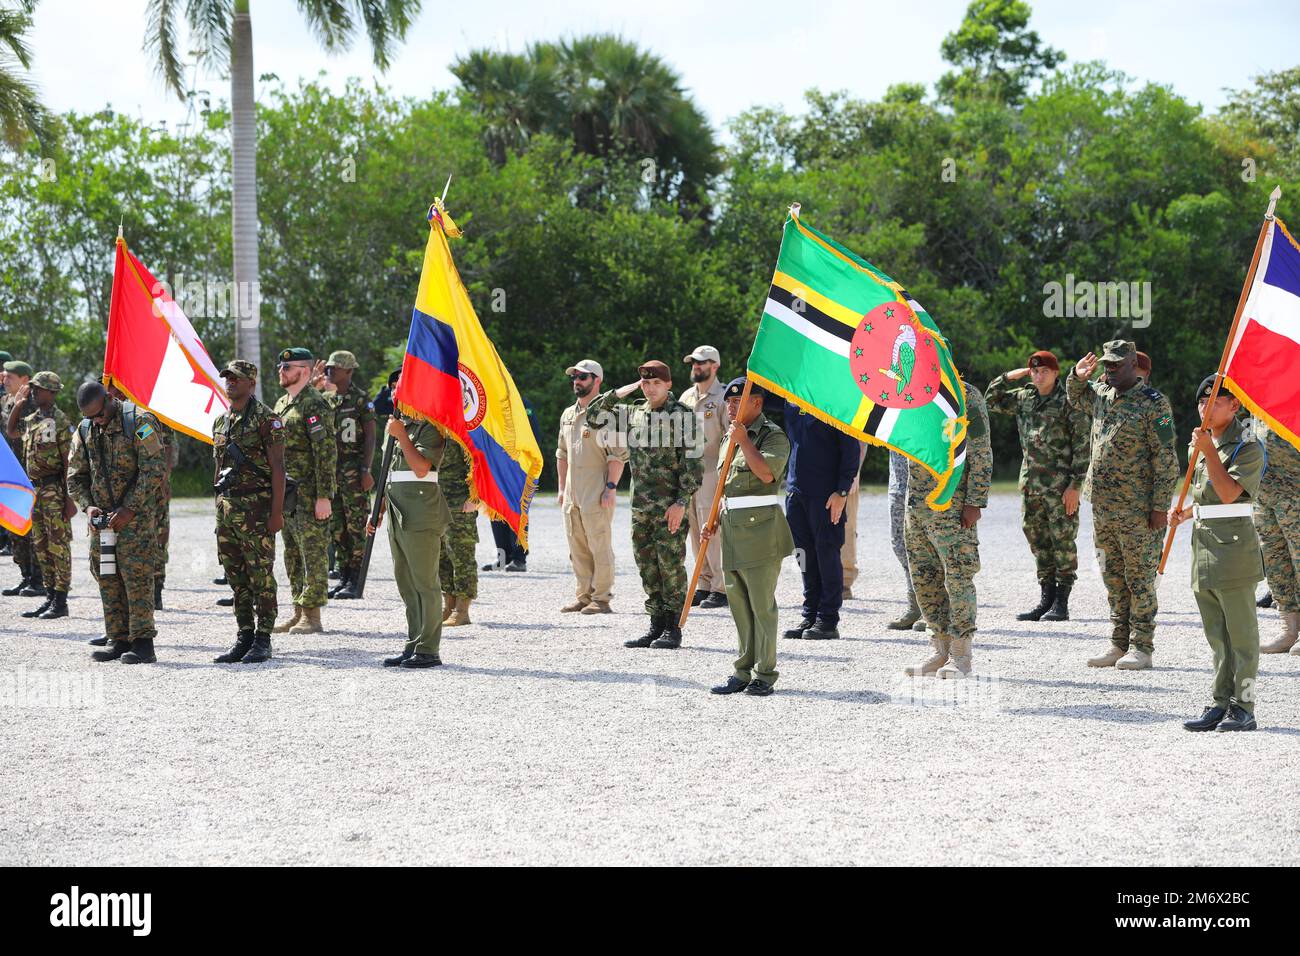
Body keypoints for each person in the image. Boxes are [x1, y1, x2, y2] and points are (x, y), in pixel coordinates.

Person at [1068, 341, 1179, 670]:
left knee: (1139, 578)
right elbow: (1075, 397)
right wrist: (1076, 375)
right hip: (1102, 506)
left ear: (1133, 364)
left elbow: (1166, 457)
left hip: (1138, 510)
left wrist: (1160, 506)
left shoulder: (1154, 404)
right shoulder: (1101, 393)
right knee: (1112, 576)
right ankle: (1118, 642)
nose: (1109, 370)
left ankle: (1141, 646)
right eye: (1106, 365)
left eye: (1116, 365)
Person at [586, 360, 703, 648]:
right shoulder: (634, 413)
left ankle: (673, 628)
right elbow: (593, 416)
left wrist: (681, 502)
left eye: (656, 383)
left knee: (670, 566)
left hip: (669, 506)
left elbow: (694, 464)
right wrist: (622, 391)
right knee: (647, 566)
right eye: (646, 383)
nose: (650, 388)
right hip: (641, 507)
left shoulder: (683, 416)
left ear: (668, 385)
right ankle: (655, 625)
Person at [1173, 377, 1264, 732]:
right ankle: (1220, 701)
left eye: (1214, 401)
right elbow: (1207, 500)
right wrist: (1185, 514)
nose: (1205, 408)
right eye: (1201, 402)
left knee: (1242, 636)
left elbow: (1229, 496)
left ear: (1234, 405)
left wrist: (1209, 452)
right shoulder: (1203, 443)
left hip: (1233, 550)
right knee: (1217, 634)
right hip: (1204, 547)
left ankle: (1245, 706)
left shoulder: (1247, 447)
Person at [985, 350, 1090, 621]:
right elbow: (991, 400)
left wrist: (1075, 486)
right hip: (1031, 484)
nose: (1038, 375)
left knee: (1063, 541)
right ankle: (1046, 600)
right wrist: (1009, 376)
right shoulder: (1024, 397)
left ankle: (1062, 603)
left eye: (1044, 371)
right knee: (1037, 539)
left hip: (1060, 487)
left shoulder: (1068, 400)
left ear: (1056, 373)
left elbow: (1082, 444)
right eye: (1034, 370)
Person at [705, 378, 794, 697]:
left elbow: (767, 474)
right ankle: (742, 671)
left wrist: (744, 441)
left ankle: (765, 674)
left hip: (760, 528)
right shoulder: (732, 435)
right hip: (731, 526)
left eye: (737, 401)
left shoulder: (772, 435)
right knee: (739, 605)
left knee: (761, 605)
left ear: (756, 402)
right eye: (728, 402)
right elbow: (725, 481)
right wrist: (713, 517)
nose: (730, 406)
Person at [68, 382, 165, 663]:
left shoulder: (139, 421)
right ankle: (118, 639)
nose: (97, 421)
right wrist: (88, 507)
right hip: (101, 521)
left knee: (136, 576)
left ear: (110, 399)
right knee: (106, 575)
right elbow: (75, 476)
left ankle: (143, 643)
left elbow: (154, 469)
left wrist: (130, 508)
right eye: (91, 417)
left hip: (134, 519)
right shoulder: (85, 429)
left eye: (100, 414)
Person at [902, 382, 993, 678]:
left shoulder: (965, 396)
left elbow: (980, 451)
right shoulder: (911, 392)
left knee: (957, 578)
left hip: (952, 505)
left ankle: (960, 655)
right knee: (925, 579)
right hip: (917, 504)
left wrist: (975, 501)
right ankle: (939, 649)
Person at [370, 378, 452, 668]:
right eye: (393, 388)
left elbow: (420, 468)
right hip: (397, 512)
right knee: (406, 583)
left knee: (425, 583)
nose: (394, 392)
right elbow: (387, 474)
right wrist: (377, 509)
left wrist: (401, 435)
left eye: (401, 387)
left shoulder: (431, 427)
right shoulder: (396, 426)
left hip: (421, 514)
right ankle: (414, 643)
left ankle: (429, 649)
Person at [211, 360, 286, 664]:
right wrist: (217, 503)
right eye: (227, 378)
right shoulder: (221, 421)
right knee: (236, 576)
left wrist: (276, 513)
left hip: (257, 509)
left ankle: (264, 638)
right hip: (228, 509)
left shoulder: (267, 419)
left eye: (237, 379)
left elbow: (278, 469)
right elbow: (218, 467)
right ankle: (244, 635)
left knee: (260, 576)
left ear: (251, 384)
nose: (230, 383)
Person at [781, 403, 862, 641]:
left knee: (826, 554)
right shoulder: (792, 402)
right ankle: (810, 613)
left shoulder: (832, 403)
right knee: (803, 556)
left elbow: (851, 450)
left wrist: (842, 491)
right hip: (796, 493)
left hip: (826, 495)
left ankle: (827, 619)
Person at [271, 347, 337, 635]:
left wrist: (325, 496)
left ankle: (313, 614)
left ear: (305, 372)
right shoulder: (282, 403)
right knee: (292, 552)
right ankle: (298, 609)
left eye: (288, 367)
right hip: (287, 493)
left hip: (310, 492)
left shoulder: (315, 404)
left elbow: (326, 452)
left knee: (313, 552)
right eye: (280, 366)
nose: (281, 371)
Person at [556, 359, 628, 614]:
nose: (577, 381)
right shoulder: (568, 414)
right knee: (577, 546)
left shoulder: (610, 414)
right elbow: (561, 453)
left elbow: (618, 455)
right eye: (575, 376)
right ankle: (583, 595)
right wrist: (561, 489)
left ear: (597, 381)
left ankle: (602, 598)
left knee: (599, 544)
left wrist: (611, 487)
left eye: (583, 377)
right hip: (572, 493)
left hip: (596, 491)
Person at [5, 371, 73, 619]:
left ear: (52, 393)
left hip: (54, 489)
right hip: (34, 490)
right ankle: (50, 597)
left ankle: (61, 601)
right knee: (41, 545)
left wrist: (69, 500)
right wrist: (19, 404)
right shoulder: (32, 419)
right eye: (32, 387)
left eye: (39, 388)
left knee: (58, 546)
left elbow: (68, 462)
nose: (34, 391)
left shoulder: (60, 421)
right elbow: (11, 431)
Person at [314, 351, 376, 601]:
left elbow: (371, 436)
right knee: (337, 527)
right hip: (332, 474)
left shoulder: (361, 401)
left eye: (336, 368)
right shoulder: (326, 399)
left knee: (356, 527)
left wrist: (366, 469)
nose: (330, 371)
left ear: (349, 371)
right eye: (328, 367)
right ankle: (344, 576)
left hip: (353, 473)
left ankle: (356, 579)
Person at [679, 345, 730, 609]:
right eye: (694, 363)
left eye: (701, 363)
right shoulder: (686, 396)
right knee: (695, 529)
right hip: (689, 473)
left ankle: (721, 588)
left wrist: (725, 476)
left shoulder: (722, 397)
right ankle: (704, 582)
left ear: (715, 366)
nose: (696, 367)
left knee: (713, 530)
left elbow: (729, 438)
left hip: (711, 472)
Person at [483, 396, 542, 572]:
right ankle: (503, 557)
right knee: (496, 511)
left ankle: (519, 558)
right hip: (493, 465)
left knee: (517, 511)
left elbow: (533, 436)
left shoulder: (522, 403)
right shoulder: (486, 403)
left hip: (516, 467)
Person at [1256, 420, 1300, 654]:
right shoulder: (1262, 396)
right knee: (1275, 561)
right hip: (1265, 492)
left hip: (1296, 488)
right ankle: (1288, 629)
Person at [1, 360, 42, 599]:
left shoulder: (33, 404)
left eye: (10, 377)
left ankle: (39, 579)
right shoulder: (6, 401)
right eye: (4, 376)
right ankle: (25, 575)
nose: (5, 379)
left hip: (28, 474)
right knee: (16, 529)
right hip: (11, 475)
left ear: (25, 380)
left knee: (33, 530)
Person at [438, 440, 478, 626]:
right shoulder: (434, 424)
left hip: (460, 502)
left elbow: (478, 461)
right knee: (441, 556)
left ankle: (462, 611)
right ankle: (449, 605)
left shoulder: (462, 426)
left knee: (461, 557)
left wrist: (475, 497)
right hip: (437, 500)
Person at [886, 449, 927, 630]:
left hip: (925, 488)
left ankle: (932, 609)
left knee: (926, 550)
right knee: (900, 545)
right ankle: (914, 606)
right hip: (898, 486)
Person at [839, 445, 868, 600]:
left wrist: (855, 471)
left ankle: (844, 581)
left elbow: (861, 435)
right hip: (817, 465)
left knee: (847, 525)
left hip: (846, 465)